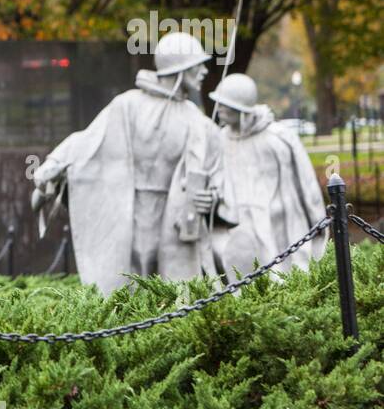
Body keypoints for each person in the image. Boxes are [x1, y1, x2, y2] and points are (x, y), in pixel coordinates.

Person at [30, 31, 232, 294]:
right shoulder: (128, 106)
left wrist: (213, 198)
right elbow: (87, 142)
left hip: (176, 221)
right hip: (131, 212)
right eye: (198, 65)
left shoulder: (197, 121)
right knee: (130, 284)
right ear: (180, 69)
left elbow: (218, 173)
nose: (205, 71)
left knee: (172, 291)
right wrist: (48, 174)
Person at [208, 73, 326, 278]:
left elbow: (305, 183)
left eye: (225, 105)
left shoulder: (277, 137)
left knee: (284, 275)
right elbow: (215, 180)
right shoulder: (221, 140)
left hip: (282, 219)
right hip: (241, 224)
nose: (219, 110)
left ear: (241, 109)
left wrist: (317, 222)